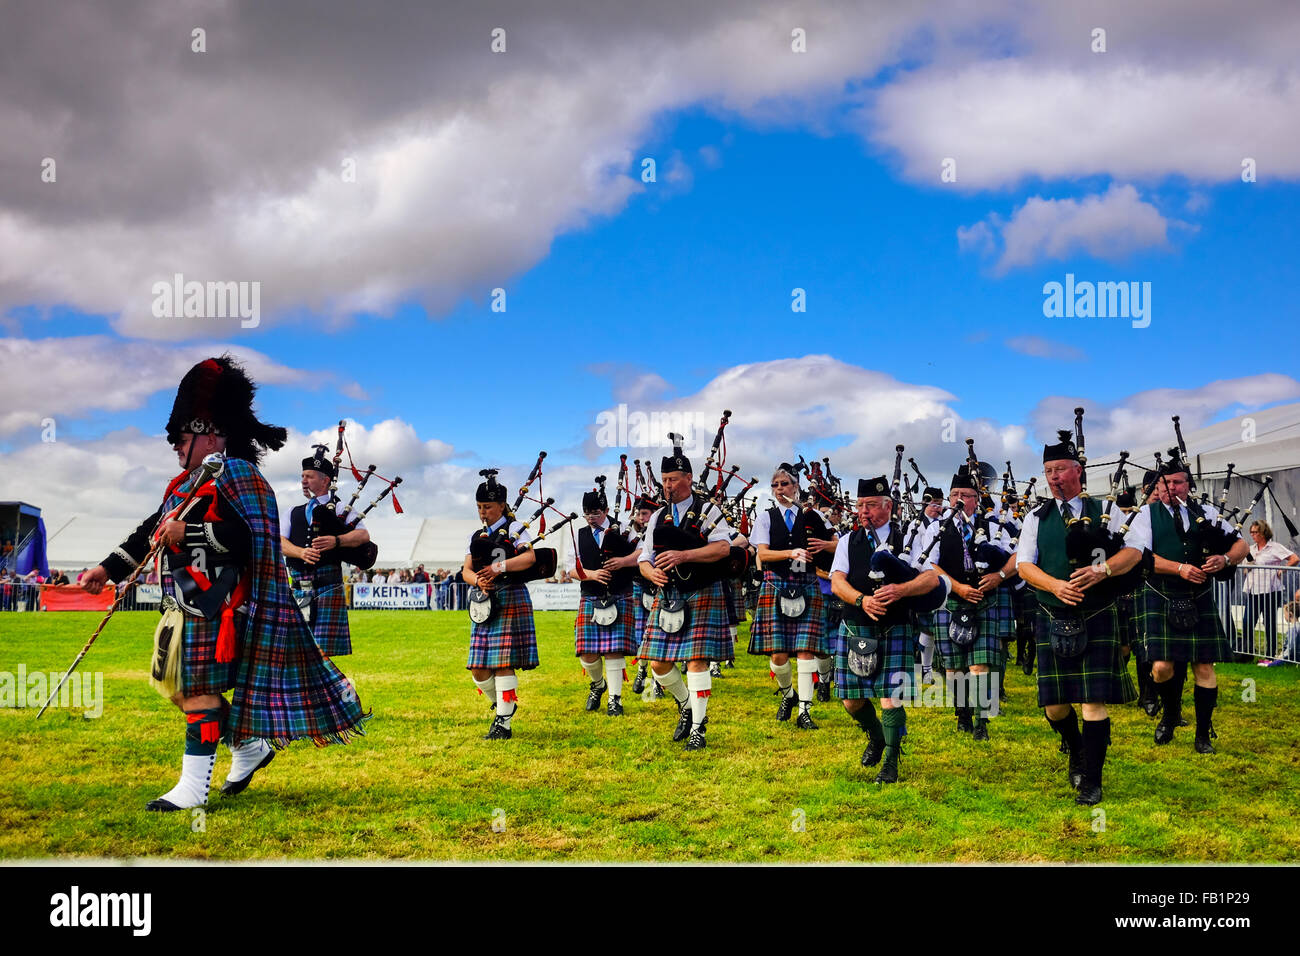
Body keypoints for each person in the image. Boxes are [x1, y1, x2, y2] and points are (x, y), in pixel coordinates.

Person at [79, 356, 369, 810]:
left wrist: (189, 533)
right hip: (185, 602)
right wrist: (106, 569)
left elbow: (253, 539)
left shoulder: (238, 475)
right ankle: (249, 747)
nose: (175, 446)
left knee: (196, 692)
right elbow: (149, 530)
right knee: (176, 685)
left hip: (221, 604)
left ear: (211, 433)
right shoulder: (185, 483)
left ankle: (194, 789)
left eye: (182, 438)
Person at [1016, 430, 1143, 805]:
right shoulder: (1036, 517)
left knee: (1091, 701)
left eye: (1060, 469)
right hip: (1051, 612)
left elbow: (1134, 552)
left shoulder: (1107, 510)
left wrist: (1102, 571)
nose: (1054, 477)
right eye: (1048, 470)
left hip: (1096, 613)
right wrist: (1055, 586)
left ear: (1078, 470)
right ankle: (1076, 747)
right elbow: (1024, 565)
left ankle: (1092, 780)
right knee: (1055, 705)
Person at [1120, 452, 1247, 753]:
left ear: (1188, 484)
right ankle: (1171, 713)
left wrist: (1225, 558)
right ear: (1158, 487)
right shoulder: (1145, 516)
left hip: (1198, 596)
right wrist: (1178, 568)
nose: (1171, 488)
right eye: (1166, 483)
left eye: (1178, 482)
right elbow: (1140, 556)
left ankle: (1202, 734)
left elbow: (1242, 543)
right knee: (1162, 667)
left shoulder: (1203, 512)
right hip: (1161, 593)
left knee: (1204, 666)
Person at [830, 476, 941, 784]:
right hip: (855, 626)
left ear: (888, 506)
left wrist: (901, 590)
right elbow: (837, 581)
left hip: (895, 627)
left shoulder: (909, 537)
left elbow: (931, 579)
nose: (864, 511)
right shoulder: (847, 541)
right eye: (860, 505)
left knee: (891, 697)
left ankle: (891, 760)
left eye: (871, 505)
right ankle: (876, 736)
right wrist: (861, 600)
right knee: (851, 700)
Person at [638, 438, 735, 751]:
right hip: (668, 595)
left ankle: (698, 727)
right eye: (665, 480)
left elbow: (723, 548)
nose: (668, 485)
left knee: (696, 661)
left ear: (689, 479)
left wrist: (684, 556)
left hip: (703, 590)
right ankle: (687, 704)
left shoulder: (707, 510)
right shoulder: (656, 517)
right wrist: (649, 571)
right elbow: (644, 556)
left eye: (674, 480)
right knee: (658, 664)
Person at [916, 468, 1018, 740]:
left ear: (976, 498)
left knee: (979, 665)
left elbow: (1018, 556)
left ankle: (982, 720)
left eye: (966, 495)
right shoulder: (938, 527)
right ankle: (962, 714)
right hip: (950, 599)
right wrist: (957, 586)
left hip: (985, 599)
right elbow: (930, 564)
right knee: (953, 667)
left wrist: (999, 576)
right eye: (954, 495)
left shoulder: (994, 525)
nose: (959, 499)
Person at [748, 463, 832, 729]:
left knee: (806, 651)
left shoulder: (812, 516)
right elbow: (762, 553)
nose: (780, 489)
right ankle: (788, 694)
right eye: (775, 485)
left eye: (785, 484)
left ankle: (805, 712)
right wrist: (790, 553)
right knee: (779, 656)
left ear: (796, 487)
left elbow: (840, 543)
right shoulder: (765, 517)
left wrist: (825, 545)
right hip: (776, 583)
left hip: (807, 582)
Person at [462, 470, 539, 740]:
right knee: (479, 669)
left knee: (503, 663)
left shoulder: (517, 529)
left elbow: (529, 558)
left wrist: (499, 567)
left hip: (510, 595)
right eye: (480, 507)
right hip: (484, 601)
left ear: (502, 506)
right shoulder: (477, 535)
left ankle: (503, 722)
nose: (483, 513)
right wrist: (478, 582)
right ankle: (505, 705)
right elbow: (466, 570)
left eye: (488, 507)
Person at [280, 445, 371, 657]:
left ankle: (325, 689)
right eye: (302, 476)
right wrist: (300, 552)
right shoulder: (293, 512)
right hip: (299, 587)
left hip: (327, 587)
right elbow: (279, 541)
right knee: (297, 649)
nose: (304, 480)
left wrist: (336, 541)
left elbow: (363, 536)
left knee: (321, 653)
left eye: (309, 476)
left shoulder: (340, 509)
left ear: (325, 480)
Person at [567, 486, 641, 715]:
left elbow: (642, 553)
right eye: (587, 513)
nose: (591, 518)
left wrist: (623, 561)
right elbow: (570, 568)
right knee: (587, 652)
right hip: (590, 594)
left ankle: (615, 699)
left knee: (614, 650)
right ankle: (598, 684)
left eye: (596, 513)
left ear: (607, 510)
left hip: (620, 593)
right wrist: (590, 574)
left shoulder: (624, 530)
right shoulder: (579, 534)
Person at [1242, 520, 1298, 660]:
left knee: (1269, 623)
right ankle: (1248, 652)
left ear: (1263, 533)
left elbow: (1294, 558)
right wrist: (1248, 566)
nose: (1253, 535)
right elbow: (1244, 571)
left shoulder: (1274, 547)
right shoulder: (1251, 549)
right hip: (1253, 590)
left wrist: (1281, 570)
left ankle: (1269, 654)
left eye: (1256, 532)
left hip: (1270, 591)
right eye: (1251, 532)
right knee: (1247, 622)